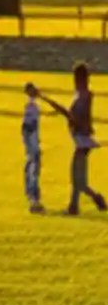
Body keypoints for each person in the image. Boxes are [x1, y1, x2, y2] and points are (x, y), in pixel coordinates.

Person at [40, 62, 107, 215]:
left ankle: (84, 203)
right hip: (81, 140)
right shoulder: (82, 95)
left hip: (83, 142)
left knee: (78, 179)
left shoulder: (84, 96)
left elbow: (76, 117)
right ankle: (80, 205)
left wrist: (57, 107)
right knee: (78, 179)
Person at [22, 82, 44, 214]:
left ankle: (33, 198)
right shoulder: (31, 107)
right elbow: (28, 127)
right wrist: (33, 145)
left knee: (31, 167)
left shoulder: (33, 106)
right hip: (32, 143)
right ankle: (34, 201)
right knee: (33, 169)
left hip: (32, 142)